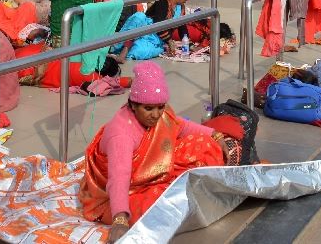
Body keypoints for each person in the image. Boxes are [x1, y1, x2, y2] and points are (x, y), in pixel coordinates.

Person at [79, 61, 231, 239]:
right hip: (122, 192)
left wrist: (215, 135)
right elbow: (119, 177)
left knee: (206, 145)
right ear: (133, 105)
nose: (156, 115)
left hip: (155, 171)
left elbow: (181, 126)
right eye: (148, 109)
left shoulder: (160, 113)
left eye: (160, 107)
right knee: (159, 206)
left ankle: (183, 190)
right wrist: (120, 220)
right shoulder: (121, 134)